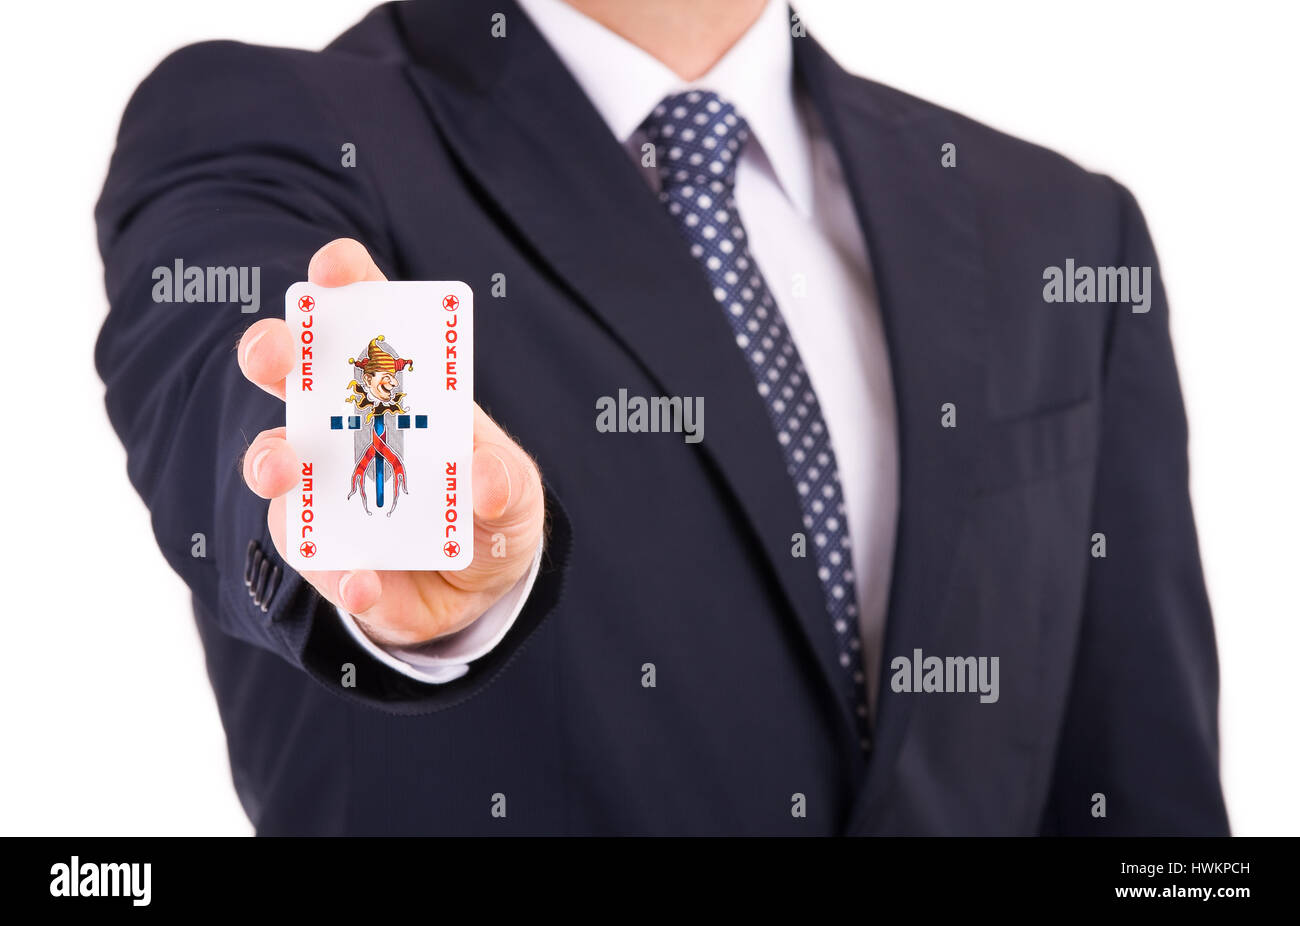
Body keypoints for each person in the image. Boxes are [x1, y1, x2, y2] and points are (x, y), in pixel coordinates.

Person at [95, 0, 1230, 834]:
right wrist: (374, 542)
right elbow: (239, 381)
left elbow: (1148, 799)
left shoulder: (1059, 227)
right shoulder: (280, 130)